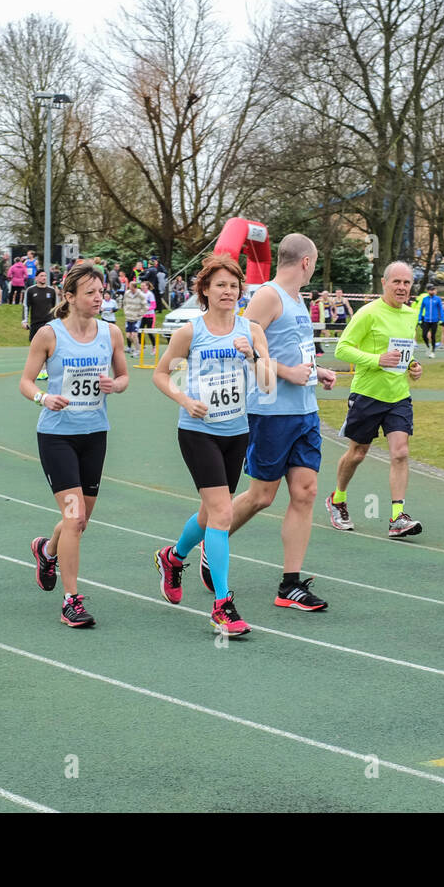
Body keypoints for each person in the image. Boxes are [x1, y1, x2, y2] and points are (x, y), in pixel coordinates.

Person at [192, 234, 337, 612]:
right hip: (270, 412)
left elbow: (290, 352)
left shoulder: (298, 300)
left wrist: (316, 371)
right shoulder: (267, 297)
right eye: (314, 264)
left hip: (305, 411)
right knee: (262, 496)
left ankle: (290, 584)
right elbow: (244, 350)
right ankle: (214, 539)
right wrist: (289, 373)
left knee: (305, 492)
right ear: (305, 262)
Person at [152, 253, 274, 636]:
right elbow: (160, 374)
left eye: (234, 285)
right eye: (220, 284)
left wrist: (252, 356)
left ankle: (172, 557)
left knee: (209, 514)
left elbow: (268, 383)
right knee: (222, 514)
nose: (228, 291)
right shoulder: (191, 332)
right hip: (197, 430)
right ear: (204, 289)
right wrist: (184, 400)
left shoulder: (251, 329)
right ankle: (223, 604)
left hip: (236, 431)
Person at [20, 264, 130, 628]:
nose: (99, 298)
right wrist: (42, 397)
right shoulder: (49, 335)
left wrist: (117, 385)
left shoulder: (111, 333)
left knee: (80, 522)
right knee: (74, 516)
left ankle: (47, 551)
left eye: (101, 291)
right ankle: (71, 601)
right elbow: (25, 381)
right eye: (90, 292)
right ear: (69, 297)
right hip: (57, 436)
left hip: (95, 433)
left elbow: (124, 376)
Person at [325, 261, 425, 539]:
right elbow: (343, 349)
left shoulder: (410, 314)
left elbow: (404, 352)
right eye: (397, 282)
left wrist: (413, 367)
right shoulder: (367, 313)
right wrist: (376, 360)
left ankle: (397, 517)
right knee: (358, 453)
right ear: (384, 283)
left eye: (407, 283)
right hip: (368, 394)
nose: (402, 287)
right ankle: (337, 499)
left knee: (401, 452)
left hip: (398, 396)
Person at [122, 279, 147, 354]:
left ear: (134, 287)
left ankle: (137, 350)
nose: (129, 287)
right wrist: (125, 311)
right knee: (128, 336)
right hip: (128, 317)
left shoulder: (141, 295)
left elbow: (145, 307)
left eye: (130, 286)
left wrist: (140, 314)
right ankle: (136, 346)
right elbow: (124, 303)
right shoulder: (127, 293)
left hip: (136, 318)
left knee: (134, 335)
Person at [418, 286, 441, 356]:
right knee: (424, 335)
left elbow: (440, 309)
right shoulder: (425, 299)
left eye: (433, 290)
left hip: (434, 320)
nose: (432, 291)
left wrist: (441, 319)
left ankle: (433, 351)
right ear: (428, 291)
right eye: (431, 290)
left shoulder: (437, 299)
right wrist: (419, 318)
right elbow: (421, 309)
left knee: (433, 336)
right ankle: (428, 346)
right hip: (426, 320)